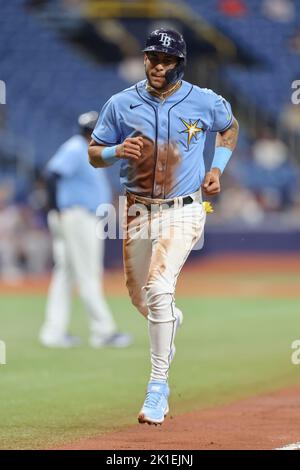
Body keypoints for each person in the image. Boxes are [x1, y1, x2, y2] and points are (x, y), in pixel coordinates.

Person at [88, 29, 239, 424]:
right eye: (152, 57)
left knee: (158, 287)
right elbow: (93, 153)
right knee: (141, 297)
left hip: (185, 207)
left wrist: (216, 168)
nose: (158, 65)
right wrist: (115, 150)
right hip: (137, 209)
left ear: (180, 64)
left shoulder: (204, 100)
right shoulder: (121, 104)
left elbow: (230, 126)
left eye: (166, 60)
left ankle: (158, 387)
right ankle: (168, 317)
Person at [39, 111, 133, 349]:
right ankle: (103, 331)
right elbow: (51, 175)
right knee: (88, 274)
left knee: (66, 274)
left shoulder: (86, 150)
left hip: (76, 216)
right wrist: (55, 209)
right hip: (77, 216)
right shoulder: (76, 148)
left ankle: (53, 332)